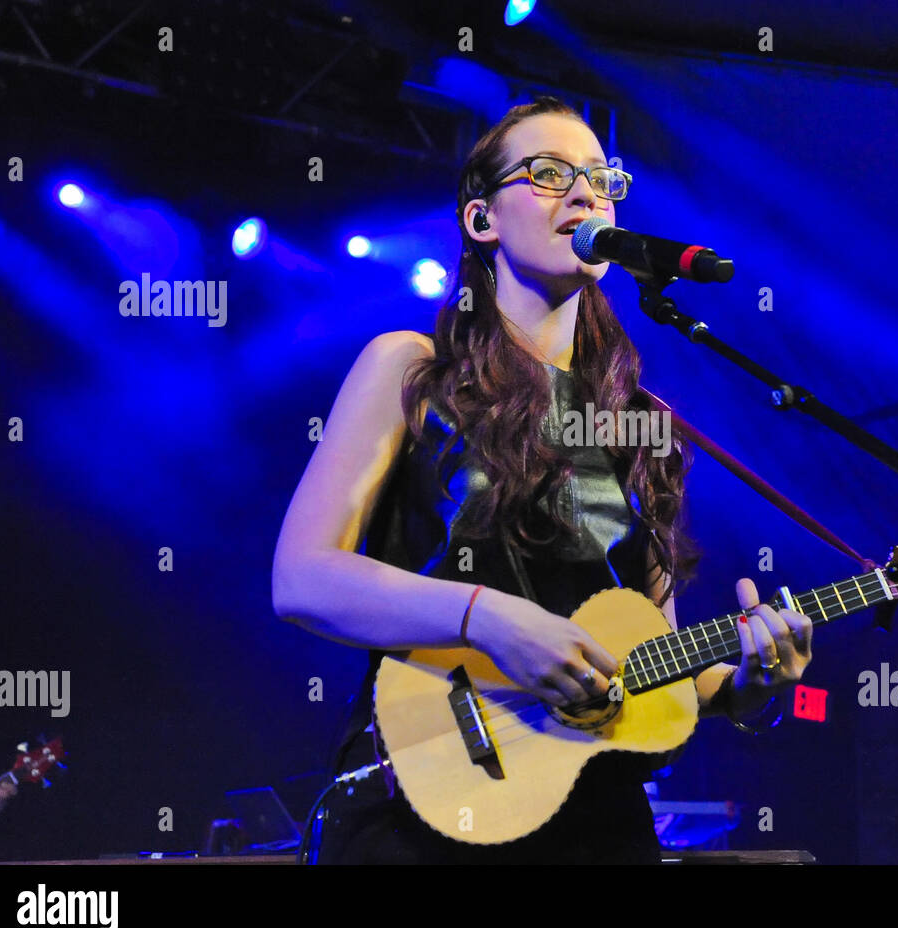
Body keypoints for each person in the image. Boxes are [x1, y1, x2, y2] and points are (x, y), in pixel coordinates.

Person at [272, 95, 814, 863]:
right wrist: (489, 618)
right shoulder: (413, 369)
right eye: (550, 173)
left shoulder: (639, 424)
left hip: (594, 823)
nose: (587, 194)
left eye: (600, 178)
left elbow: (645, 660)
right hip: (423, 796)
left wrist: (747, 692)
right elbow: (300, 578)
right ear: (481, 220)